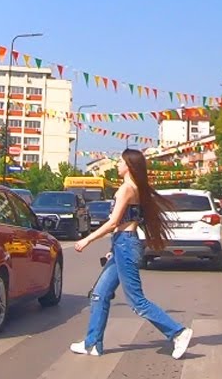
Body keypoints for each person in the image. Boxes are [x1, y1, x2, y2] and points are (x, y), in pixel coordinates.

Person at [70, 148, 194, 358]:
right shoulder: (135, 188)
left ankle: (178, 332)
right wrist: (113, 250)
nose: (117, 165)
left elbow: (114, 223)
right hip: (122, 245)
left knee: (137, 301)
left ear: (129, 165)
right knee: (100, 294)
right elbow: (123, 225)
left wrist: (87, 239)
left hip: (126, 245)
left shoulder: (128, 188)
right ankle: (92, 343)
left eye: (120, 161)